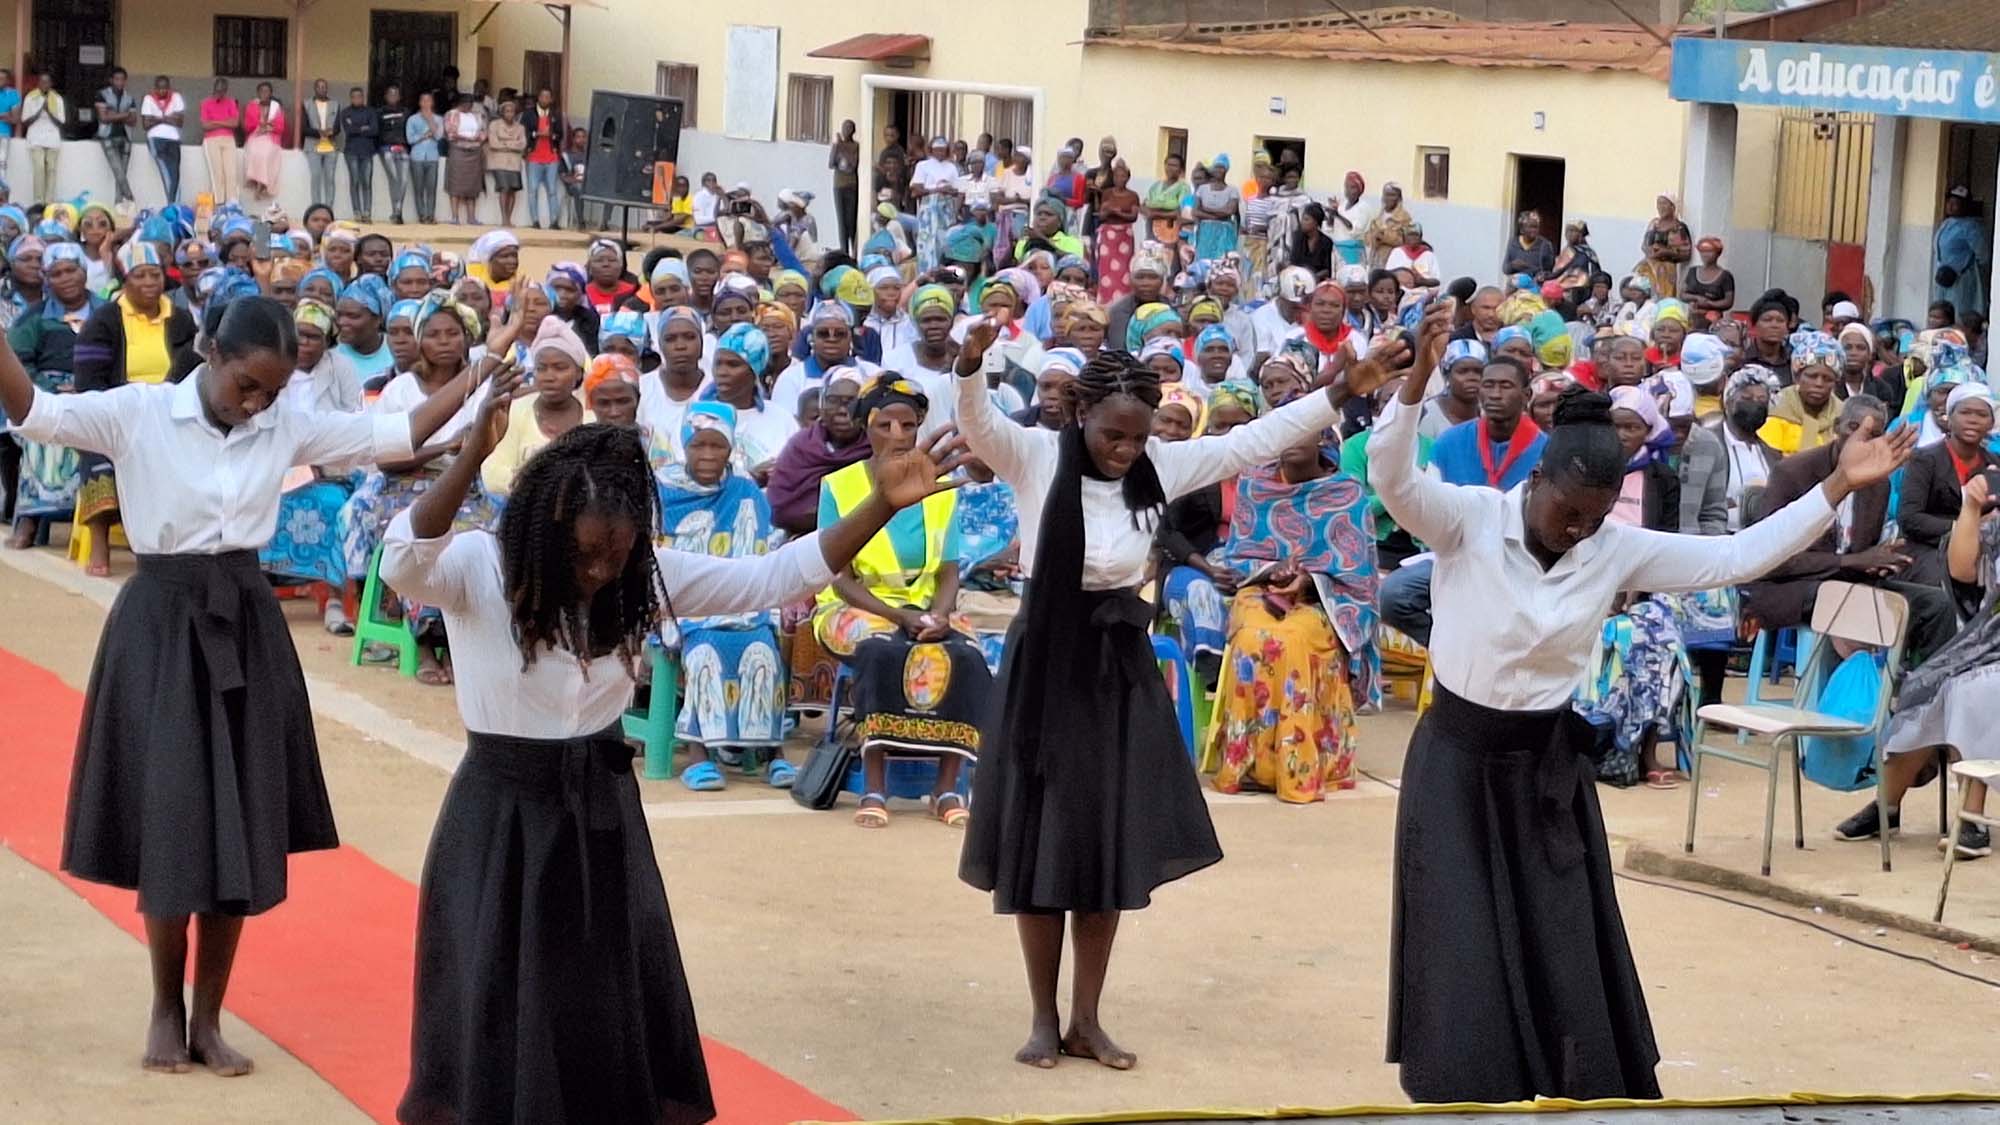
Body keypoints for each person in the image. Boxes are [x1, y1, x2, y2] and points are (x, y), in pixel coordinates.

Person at [1377, 299, 1915, 1103]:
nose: (1581, 531)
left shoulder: (1613, 544)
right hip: (1455, 763)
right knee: (1461, 948)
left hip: (1546, 768)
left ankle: (1572, 1093)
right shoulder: (1468, 521)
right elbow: (1392, 477)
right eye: (1568, 513)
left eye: (1596, 519)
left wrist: (1837, 482)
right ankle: (1466, 1099)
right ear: (1538, 481)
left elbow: (1737, 555)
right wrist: (1413, 386)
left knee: (1562, 944)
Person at [386, 390, 959, 1121]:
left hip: (599, 810)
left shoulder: (643, 576)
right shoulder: (480, 566)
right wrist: (471, 452)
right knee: (494, 991)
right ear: (544, 528)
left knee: (598, 992)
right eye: (585, 552)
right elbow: (404, 559)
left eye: (616, 552)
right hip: (499, 814)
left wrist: (880, 505)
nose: (600, 569)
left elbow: (773, 577)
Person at [0, 293, 504, 1077]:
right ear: (208, 351)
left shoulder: (288, 420)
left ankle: (210, 1017)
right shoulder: (139, 413)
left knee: (238, 820)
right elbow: (34, 412)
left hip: (246, 622)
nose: (257, 403)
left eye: (272, 390)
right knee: (173, 818)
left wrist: (482, 369)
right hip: (162, 626)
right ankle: (165, 1009)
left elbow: (400, 432)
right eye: (247, 385)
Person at [955, 325, 1377, 1070]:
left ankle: (1087, 1018)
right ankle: (1041, 1018)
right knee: (1041, 841)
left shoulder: (1160, 465)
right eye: (1113, 434)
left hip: (1117, 664)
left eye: (1137, 436)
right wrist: (968, 364)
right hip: (1047, 662)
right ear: (1079, 412)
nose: (1125, 449)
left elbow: (1256, 439)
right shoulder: (1032, 457)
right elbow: (978, 422)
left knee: (1104, 842)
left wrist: (1341, 390)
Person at [814, 375, 992, 826]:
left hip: (926, 606)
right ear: (865, 428)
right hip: (858, 607)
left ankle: (947, 788)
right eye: (885, 425)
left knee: (966, 654)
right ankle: (876, 787)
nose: (897, 435)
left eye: (908, 425)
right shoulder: (839, 487)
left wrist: (940, 614)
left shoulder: (939, 488)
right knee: (881, 650)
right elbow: (840, 580)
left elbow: (949, 570)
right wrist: (900, 616)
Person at [1206, 433, 1376, 802]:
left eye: (1305, 431)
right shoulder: (1255, 487)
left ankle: (1298, 768)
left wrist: (1308, 580)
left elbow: (1359, 574)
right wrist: (1273, 572)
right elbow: (1237, 556)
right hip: (1259, 589)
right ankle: (1247, 763)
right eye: (1288, 429)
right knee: (1253, 636)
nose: (1293, 440)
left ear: (1322, 438)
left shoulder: (1346, 493)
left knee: (1295, 640)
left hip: (1325, 599)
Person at [1742, 393, 1958, 676]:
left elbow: (1860, 558)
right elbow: (1769, 559)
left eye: (1872, 434)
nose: (1860, 440)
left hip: (1848, 585)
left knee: (1936, 604)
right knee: (1843, 601)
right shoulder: (1793, 473)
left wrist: (1880, 562)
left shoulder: (1877, 485)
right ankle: (1830, 706)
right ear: (1836, 427)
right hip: (1786, 587)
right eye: (1853, 428)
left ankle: (1925, 695)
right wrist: (1850, 562)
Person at [1862, 468, 1999, 859]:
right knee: (1930, 682)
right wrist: (1971, 507)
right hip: (1989, 639)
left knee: (1975, 691)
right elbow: (1961, 569)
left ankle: (1973, 820)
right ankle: (1886, 805)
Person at [1379, 356, 1546, 648]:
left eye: (1506, 386)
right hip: (1455, 554)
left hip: (1518, 562)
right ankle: (1452, 650)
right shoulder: (1449, 443)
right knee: (1392, 595)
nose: (1495, 394)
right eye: (1488, 385)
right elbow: (1429, 511)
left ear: (1526, 395)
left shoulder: (1547, 449)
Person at [70, 242, 201, 574]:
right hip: (117, 408)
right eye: (139, 276)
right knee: (97, 451)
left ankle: (165, 542)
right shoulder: (105, 320)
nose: (148, 283)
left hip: (171, 408)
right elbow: (89, 379)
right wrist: (123, 408)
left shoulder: (180, 318)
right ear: (125, 280)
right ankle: (99, 539)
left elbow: (196, 369)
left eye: (154, 275)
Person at [5, 243, 103, 550]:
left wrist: (87, 387)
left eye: (71, 270)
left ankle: (97, 521)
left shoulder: (105, 312)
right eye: (56, 273)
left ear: (84, 272)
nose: (65, 278)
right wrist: (49, 389)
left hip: (96, 392)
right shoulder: (33, 318)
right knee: (41, 434)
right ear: (47, 279)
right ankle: (30, 521)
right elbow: (19, 362)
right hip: (46, 394)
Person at [1897, 384, 1998, 586]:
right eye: (1965, 412)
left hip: (1980, 548)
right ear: (1949, 419)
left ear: (1990, 424)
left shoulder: (1994, 463)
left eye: (1981, 414)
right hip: (1927, 547)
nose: (1973, 419)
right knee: (1945, 582)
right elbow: (1909, 518)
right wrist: (1966, 528)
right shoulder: (1924, 459)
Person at [768, 367, 870, 535]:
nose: (843, 411)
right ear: (822, 404)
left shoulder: (875, 447)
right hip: (804, 544)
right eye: (833, 401)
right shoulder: (800, 447)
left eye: (852, 402)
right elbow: (779, 509)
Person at [1760, 331, 1842, 454]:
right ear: (1797, 377)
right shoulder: (1776, 410)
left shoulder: (1843, 416)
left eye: (1827, 379)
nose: (1819, 384)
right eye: (1812, 376)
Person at [1933, 186, 1989, 325]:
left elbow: (1983, 254)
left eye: (1956, 203)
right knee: (1941, 313)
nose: (1951, 206)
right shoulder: (1946, 223)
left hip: (1961, 280)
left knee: (1958, 315)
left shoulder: (1971, 227)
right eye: (1949, 202)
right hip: (1943, 279)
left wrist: (1966, 268)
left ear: (1965, 206)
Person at [95, 68, 140, 205]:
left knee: (121, 176)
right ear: (111, 80)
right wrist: (125, 114)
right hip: (107, 137)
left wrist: (113, 114)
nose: (119, 82)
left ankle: (118, 206)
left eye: (122, 79)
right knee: (119, 173)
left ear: (125, 81)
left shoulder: (129, 98)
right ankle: (131, 200)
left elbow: (133, 121)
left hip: (126, 138)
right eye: (117, 79)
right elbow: (103, 118)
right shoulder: (101, 95)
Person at [22, 71, 66, 205]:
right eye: (42, 82)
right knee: (39, 168)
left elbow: (61, 122)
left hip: (52, 139)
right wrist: (39, 111)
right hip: (35, 138)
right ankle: (38, 202)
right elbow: (25, 121)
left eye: (47, 82)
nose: (44, 84)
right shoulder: (30, 98)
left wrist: (49, 112)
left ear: (51, 84)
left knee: (51, 170)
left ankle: (49, 202)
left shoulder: (57, 99)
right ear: (38, 83)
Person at [521, 88, 562, 230]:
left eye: (547, 97)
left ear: (551, 99)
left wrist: (551, 135)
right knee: (533, 190)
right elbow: (523, 131)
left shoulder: (556, 114)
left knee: (552, 190)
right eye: (542, 96)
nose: (545, 99)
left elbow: (560, 134)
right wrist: (535, 134)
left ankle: (554, 221)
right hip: (534, 155)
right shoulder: (528, 114)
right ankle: (535, 221)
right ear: (538, 98)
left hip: (551, 156)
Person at [444, 92, 487, 225]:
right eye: (466, 103)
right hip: (458, 152)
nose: (468, 106)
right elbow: (451, 134)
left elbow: (483, 133)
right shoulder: (452, 114)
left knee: (472, 185)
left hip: (474, 153)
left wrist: (474, 138)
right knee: (456, 183)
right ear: (460, 103)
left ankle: (471, 217)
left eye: (470, 103)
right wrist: (469, 138)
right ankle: (455, 217)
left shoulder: (477, 115)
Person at [1638, 193, 1691, 299]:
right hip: (1648, 267)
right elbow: (1644, 245)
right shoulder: (1654, 223)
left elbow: (1686, 253)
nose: (1661, 207)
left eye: (1664, 203)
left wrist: (1665, 252)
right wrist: (1650, 251)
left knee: (1664, 300)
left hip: (1666, 272)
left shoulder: (1678, 227)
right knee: (1643, 295)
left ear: (1672, 207)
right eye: (1659, 203)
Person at [196, 78, 241, 204]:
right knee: (217, 174)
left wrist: (215, 122)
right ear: (214, 88)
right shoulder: (205, 103)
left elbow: (235, 123)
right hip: (211, 140)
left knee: (231, 173)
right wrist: (225, 123)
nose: (220, 93)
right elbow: (205, 126)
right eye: (218, 90)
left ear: (226, 90)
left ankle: (232, 204)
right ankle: (219, 204)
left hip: (228, 140)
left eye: (223, 90)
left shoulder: (231, 102)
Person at [239, 82, 286, 202]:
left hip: (271, 136)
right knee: (253, 152)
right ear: (258, 93)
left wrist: (269, 127)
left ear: (271, 93)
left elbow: (280, 126)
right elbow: (248, 125)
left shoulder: (276, 107)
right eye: (262, 91)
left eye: (267, 91)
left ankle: (261, 185)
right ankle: (256, 181)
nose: (264, 93)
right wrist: (260, 125)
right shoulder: (252, 105)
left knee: (266, 153)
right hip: (256, 135)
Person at [483, 100, 526, 228]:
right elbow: (493, 144)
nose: (510, 114)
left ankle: (509, 219)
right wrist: (513, 144)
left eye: (512, 111)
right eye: (507, 111)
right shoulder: (494, 125)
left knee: (513, 190)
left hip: (514, 163)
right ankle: (504, 219)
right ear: (502, 113)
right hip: (499, 162)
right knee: (504, 188)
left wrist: (505, 143)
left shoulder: (520, 127)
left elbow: (522, 144)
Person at [1191, 154, 1240, 263]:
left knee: (1222, 262)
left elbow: (1229, 211)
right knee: (1203, 263)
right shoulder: (1202, 189)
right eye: (1216, 167)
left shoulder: (1232, 190)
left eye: (1222, 168)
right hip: (1205, 233)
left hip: (1224, 233)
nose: (1218, 170)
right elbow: (1195, 211)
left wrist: (1206, 209)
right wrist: (1218, 215)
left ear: (1226, 170)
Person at [300, 79, 341, 210]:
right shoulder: (306, 104)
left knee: (330, 178)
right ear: (315, 88)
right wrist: (319, 132)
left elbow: (338, 127)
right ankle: (316, 208)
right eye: (319, 87)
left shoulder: (335, 104)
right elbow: (304, 128)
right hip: (313, 145)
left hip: (330, 145)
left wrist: (331, 132)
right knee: (316, 177)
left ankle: (329, 209)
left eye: (324, 87)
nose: (322, 89)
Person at [373, 85, 411, 224]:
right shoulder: (380, 112)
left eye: (395, 94)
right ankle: (396, 211)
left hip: (403, 148)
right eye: (390, 94)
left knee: (404, 180)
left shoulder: (406, 112)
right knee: (394, 178)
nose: (393, 97)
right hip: (386, 148)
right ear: (385, 96)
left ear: (399, 97)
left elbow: (409, 130)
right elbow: (376, 131)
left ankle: (397, 211)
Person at [405, 91, 444, 224]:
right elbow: (410, 139)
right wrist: (424, 135)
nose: (426, 103)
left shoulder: (438, 119)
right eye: (423, 101)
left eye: (429, 101)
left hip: (432, 157)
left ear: (432, 103)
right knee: (419, 188)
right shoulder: (412, 119)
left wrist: (429, 120)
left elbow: (438, 137)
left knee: (431, 188)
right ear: (419, 103)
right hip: (417, 157)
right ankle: (422, 215)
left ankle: (430, 215)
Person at [1683, 236, 1735, 325]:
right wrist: (1696, 298)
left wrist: (1709, 304)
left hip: (1713, 320)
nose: (1705, 255)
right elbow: (1682, 294)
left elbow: (1728, 302)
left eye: (1709, 251)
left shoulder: (1725, 276)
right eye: (1702, 251)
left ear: (1718, 253)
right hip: (1692, 318)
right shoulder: (1692, 271)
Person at [1362, 182, 1412, 271]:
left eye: (1392, 195)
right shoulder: (1377, 216)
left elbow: (1404, 240)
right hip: (1375, 259)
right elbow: (1367, 237)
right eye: (1386, 195)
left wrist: (1383, 236)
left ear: (1399, 198)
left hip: (1393, 260)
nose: (1388, 198)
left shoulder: (1404, 217)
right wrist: (1372, 237)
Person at [830, 120, 861, 255]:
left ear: (853, 131)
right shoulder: (837, 145)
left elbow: (851, 166)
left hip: (851, 185)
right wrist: (837, 147)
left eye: (849, 128)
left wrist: (842, 149)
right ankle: (844, 251)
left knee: (851, 220)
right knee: (841, 220)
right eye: (844, 128)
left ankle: (854, 251)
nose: (845, 131)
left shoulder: (856, 146)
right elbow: (831, 164)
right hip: (838, 185)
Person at [1502, 210, 1555, 281]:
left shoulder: (1545, 245)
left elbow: (1548, 273)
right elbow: (1505, 269)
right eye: (1530, 227)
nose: (1534, 230)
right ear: (1522, 229)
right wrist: (1513, 265)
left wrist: (1527, 267)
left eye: (1536, 227)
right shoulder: (1513, 243)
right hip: (1514, 287)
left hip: (1535, 288)